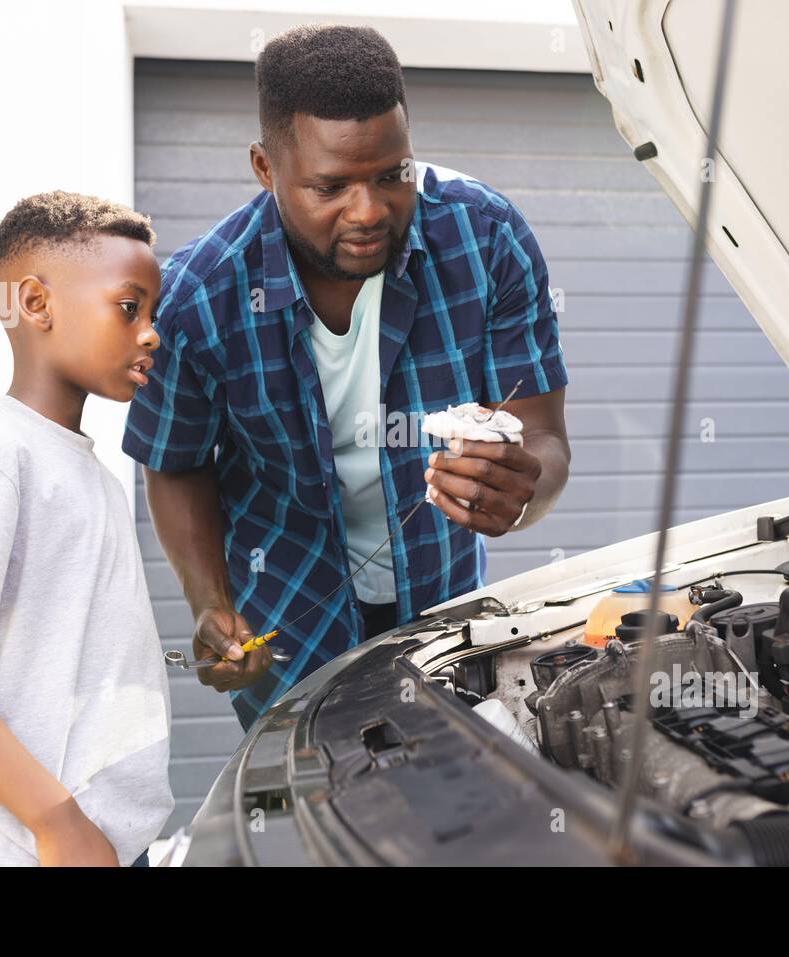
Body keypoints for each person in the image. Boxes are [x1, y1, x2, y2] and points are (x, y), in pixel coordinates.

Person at [124, 25, 571, 731]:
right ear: (265, 169)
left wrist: (521, 496)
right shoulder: (197, 298)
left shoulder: (486, 239)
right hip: (289, 627)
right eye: (330, 186)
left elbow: (544, 437)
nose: (368, 211)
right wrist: (210, 602)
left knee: (455, 814)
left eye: (392, 175)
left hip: (446, 613)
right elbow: (176, 465)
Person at [0, 191, 175, 866]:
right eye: (129, 306)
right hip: (33, 846)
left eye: (154, 313)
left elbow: (73, 650)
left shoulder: (92, 473)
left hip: (106, 839)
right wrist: (56, 821)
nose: (151, 332)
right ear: (37, 304)